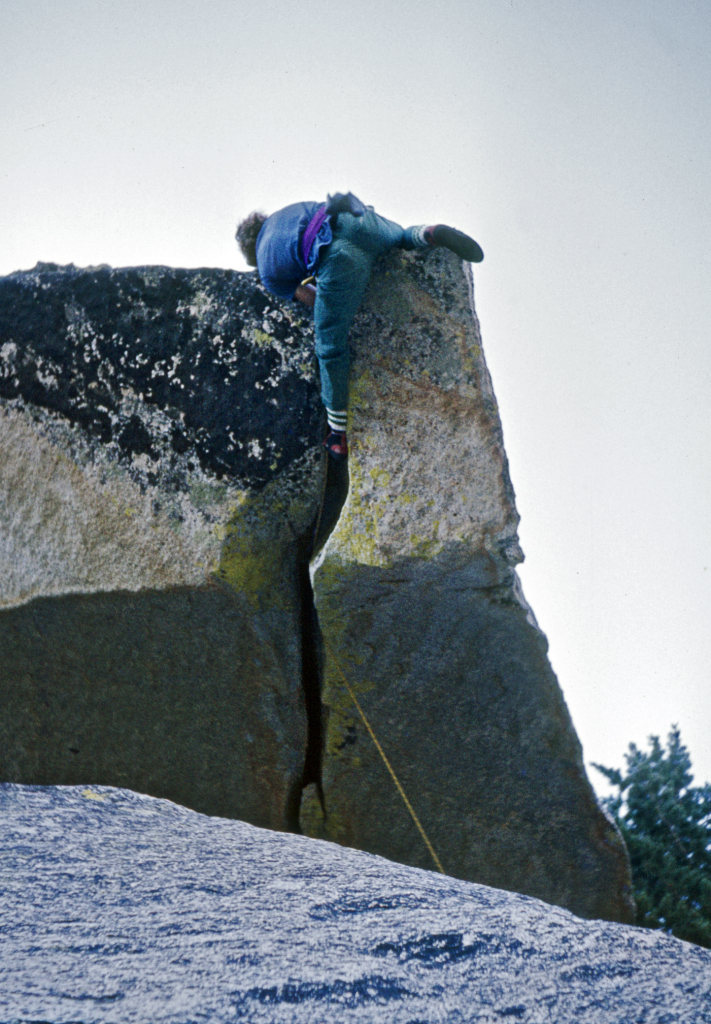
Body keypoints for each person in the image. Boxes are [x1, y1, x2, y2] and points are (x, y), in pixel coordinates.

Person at [235, 193, 483, 460]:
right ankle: (429, 233)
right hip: (355, 218)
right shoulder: (285, 211)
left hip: (338, 258)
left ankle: (337, 432)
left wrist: (334, 302)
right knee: (399, 237)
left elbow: (311, 298)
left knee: (329, 347)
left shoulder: (266, 268)